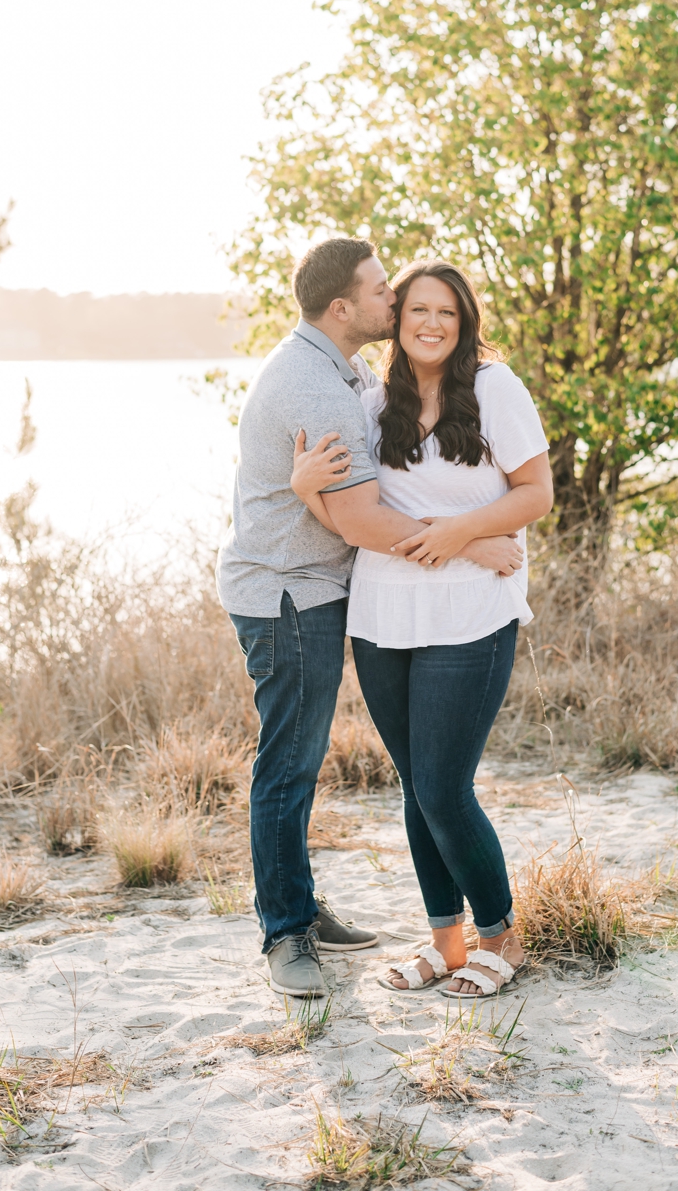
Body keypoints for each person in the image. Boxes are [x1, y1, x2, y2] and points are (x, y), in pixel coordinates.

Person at [217, 239, 521, 998]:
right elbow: (359, 519)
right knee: (289, 765)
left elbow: (359, 501)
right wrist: (472, 543)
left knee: (380, 775)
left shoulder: (343, 369)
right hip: (288, 594)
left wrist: (302, 490)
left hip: (323, 591)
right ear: (343, 307)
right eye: (387, 292)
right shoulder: (322, 385)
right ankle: (286, 931)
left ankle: (307, 909)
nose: (397, 303)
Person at [290, 260, 553, 1000]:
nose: (432, 324)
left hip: (471, 612)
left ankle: (500, 935)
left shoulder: (495, 387)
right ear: (396, 321)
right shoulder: (371, 403)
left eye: (447, 312)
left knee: (443, 787)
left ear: (464, 320)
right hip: (383, 616)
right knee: (416, 787)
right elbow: (352, 519)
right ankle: (445, 942)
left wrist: (464, 535)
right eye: (417, 312)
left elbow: (537, 491)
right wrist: (306, 490)